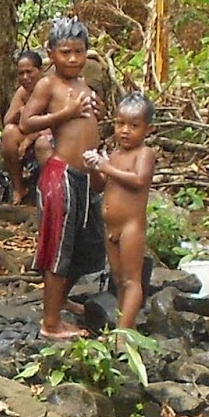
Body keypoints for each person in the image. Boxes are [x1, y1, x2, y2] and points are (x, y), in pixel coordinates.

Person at [22, 16, 105, 339]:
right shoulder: (48, 84)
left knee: (87, 249)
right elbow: (27, 122)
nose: (72, 59)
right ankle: (51, 322)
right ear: (51, 54)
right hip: (61, 175)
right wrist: (64, 115)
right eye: (65, 52)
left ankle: (59, 301)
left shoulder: (83, 85)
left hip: (84, 178)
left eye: (79, 52)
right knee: (58, 250)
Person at [85, 92, 157, 331]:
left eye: (134, 126)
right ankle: (125, 324)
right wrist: (95, 168)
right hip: (111, 228)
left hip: (130, 227)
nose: (125, 131)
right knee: (118, 280)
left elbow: (138, 180)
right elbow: (99, 185)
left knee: (131, 279)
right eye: (120, 124)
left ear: (147, 129)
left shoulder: (144, 154)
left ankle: (123, 331)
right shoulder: (115, 154)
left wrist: (106, 166)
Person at [0, 49, 45, 204]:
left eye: (29, 72)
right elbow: (7, 121)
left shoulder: (50, 88)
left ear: (40, 71)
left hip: (49, 140)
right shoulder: (22, 92)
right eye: (21, 73)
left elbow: (56, 124)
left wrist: (29, 139)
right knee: (8, 133)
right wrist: (20, 112)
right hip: (28, 137)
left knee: (43, 142)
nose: (25, 77)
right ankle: (18, 188)